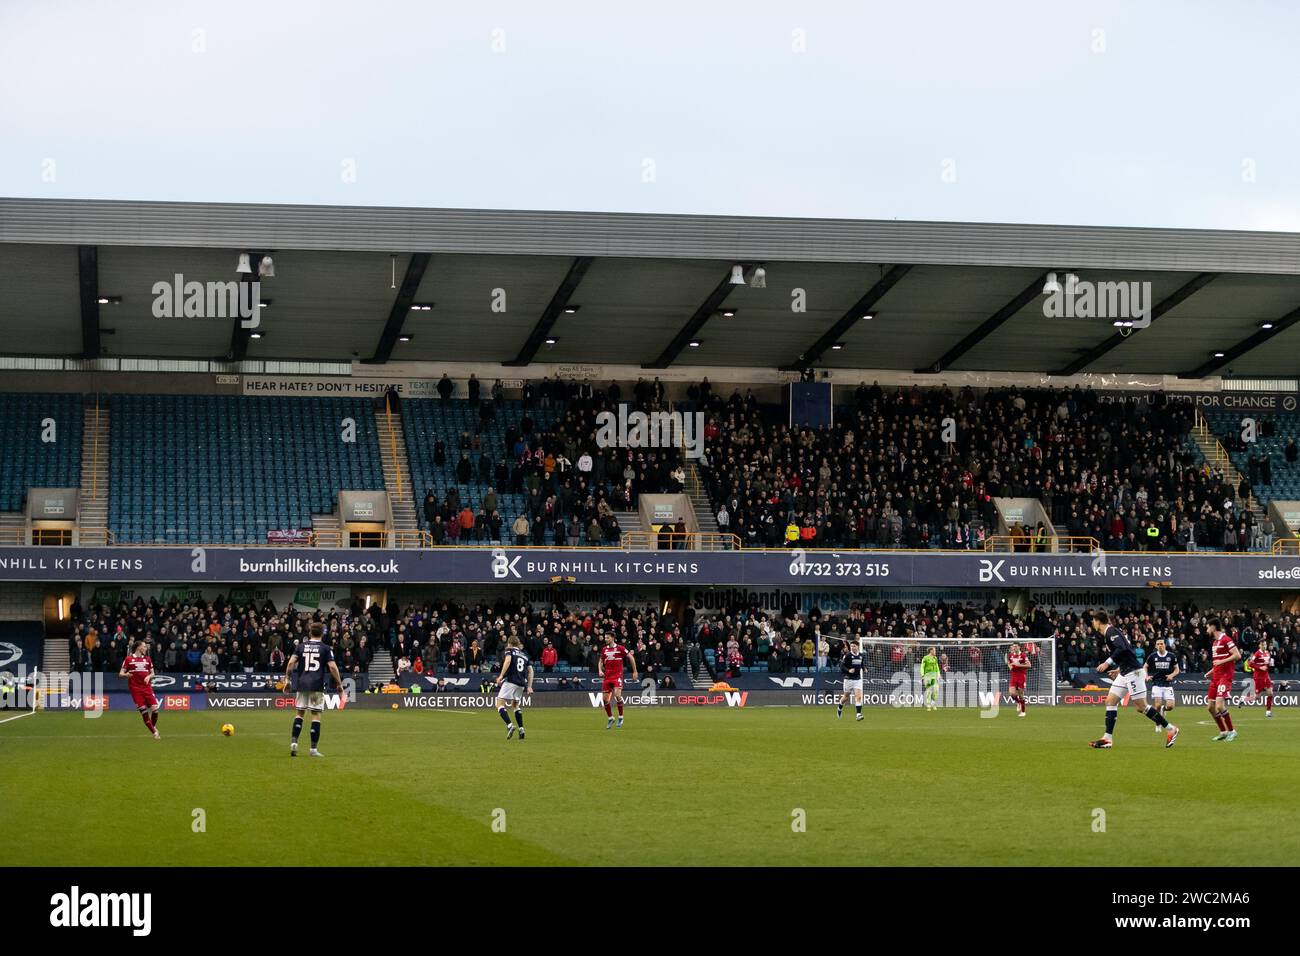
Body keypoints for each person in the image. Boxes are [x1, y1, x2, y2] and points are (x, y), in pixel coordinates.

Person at [1088, 611, 1177, 749]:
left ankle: (1171, 729)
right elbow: (1127, 651)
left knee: (1141, 707)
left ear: (1098, 621)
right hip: (1125, 672)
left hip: (1133, 673)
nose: (1092, 624)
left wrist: (1107, 662)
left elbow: (1122, 648)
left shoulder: (1110, 631)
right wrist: (1119, 668)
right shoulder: (1110, 632)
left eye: (1093, 621)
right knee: (1110, 701)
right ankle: (1107, 738)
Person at [284, 621, 344, 758]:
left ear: (309, 633)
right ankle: (313, 749)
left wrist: (287, 679)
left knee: (299, 714)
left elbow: (291, 663)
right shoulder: (325, 648)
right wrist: (339, 684)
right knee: (316, 716)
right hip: (316, 686)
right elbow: (333, 667)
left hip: (302, 684)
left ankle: (294, 743)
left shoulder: (300, 646)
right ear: (322, 633)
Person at [1204, 617, 1241, 742]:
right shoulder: (1214, 643)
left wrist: (1221, 661)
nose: (1207, 630)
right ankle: (1223, 731)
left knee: (1220, 706)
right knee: (1210, 707)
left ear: (1213, 627)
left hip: (1225, 677)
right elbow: (1217, 663)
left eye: (1208, 627)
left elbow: (1237, 655)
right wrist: (1211, 671)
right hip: (1216, 677)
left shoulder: (1226, 639)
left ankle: (1232, 731)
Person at [493, 635, 534, 740]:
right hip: (521, 684)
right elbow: (531, 671)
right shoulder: (524, 655)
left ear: (510, 643)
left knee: (499, 703)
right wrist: (529, 686)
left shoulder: (509, 651)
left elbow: (508, 661)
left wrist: (501, 675)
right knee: (515, 705)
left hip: (511, 681)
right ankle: (521, 729)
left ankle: (510, 726)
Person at [119, 640, 160, 739]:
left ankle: (152, 726)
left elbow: (153, 673)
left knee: (155, 709)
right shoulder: (129, 659)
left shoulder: (147, 659)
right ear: (138, 648)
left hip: (147, 688)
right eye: (144, 646)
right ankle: (154, 733)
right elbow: (120, 674)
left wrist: (148, 677)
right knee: (144, 712)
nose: (146, 648)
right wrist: (126, 674)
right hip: (135, 689)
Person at [598, 631, 638, 729]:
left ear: (612, 638)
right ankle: (611, 718)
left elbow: (631, 657)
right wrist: (599, 670)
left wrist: (635, 671)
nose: (605, 639)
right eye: (605, 637)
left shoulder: (620, 648)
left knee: (617, 695)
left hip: (617, 676)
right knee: (604, 699)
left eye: (607, 637)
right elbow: (600, 661)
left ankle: (621, 717)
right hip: (607, 676)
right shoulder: (604, 649)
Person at [1144, 637, 1179, 729]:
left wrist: (1171, 675)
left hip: (1168, 684)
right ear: (1156, 646)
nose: (1160, 645)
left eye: (1161, 644)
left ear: (1165, 645)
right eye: (1158, 644)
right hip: (1156, 683)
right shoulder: (1152, 656)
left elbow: (1177, 670)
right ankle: (1158, 724)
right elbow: (1145, 667)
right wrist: (1146, 676)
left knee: (1170, 706)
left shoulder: (1171, 656)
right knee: (1157, 705)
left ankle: (1164, 709)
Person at [837, 638, 864, 721]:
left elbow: (861, 663)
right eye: (851, 646)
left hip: (857, 679)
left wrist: (864, 668)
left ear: (858, 646)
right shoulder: (848, 655)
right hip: (848, 679)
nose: (852, 647)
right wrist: (848, 670)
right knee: (846, 697)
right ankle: (839, 707)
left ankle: (858, 715)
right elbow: (841, 666)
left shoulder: (861, 655)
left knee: (858, 697)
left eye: (854, 646)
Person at [1247, 637, 1275, 718]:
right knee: (1257, 697)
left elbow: (1267, 663)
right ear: (1259, 645)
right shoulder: (1257, 653)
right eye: (1263, 645)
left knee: (1270, 693)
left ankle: (1268, 712)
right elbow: (1250, 664)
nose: (1264, 646)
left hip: (1266, 676)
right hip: (1258, 677)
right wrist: (1260, 667)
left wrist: (1270, 664)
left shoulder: (1267, 653)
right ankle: (1244, 699)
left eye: (1265, 644)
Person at [1006, 642, 1030, 717]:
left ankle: (1023, 712)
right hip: (1013, 676)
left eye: (1016, 646)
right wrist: (1010, 666)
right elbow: (1009, 663)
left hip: (1021, 676)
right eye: (1013, 646)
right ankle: (1018, 702)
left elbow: (1029, 665)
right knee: (1012, 693)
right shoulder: (1010, 655)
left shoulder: (1023, 655)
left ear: (1019, 647)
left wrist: (1018, 665)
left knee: (1021, 695)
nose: (1014, 648)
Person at [920, 645, 941, 711]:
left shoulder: (935, 658)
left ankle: (933, 703)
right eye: (934, 650)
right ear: (931, 651)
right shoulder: (925, 658)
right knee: (929, 690)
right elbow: (922, 667)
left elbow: (937, 666)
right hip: (928, 676)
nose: (935, 652)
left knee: (936, 690)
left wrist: (938, 674)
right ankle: (928, 705)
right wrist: (922, 675)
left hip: (934, 676)